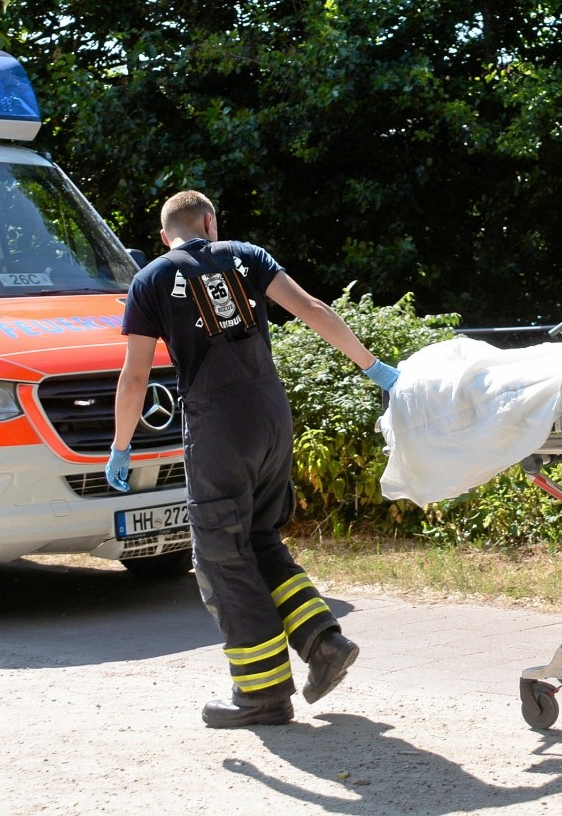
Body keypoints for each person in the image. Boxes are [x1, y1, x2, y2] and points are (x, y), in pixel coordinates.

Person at [108, 190, 400, 729]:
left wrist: (122, 445)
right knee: (258, 538)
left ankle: (261, 696)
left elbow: (135, 377)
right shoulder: (247, 255)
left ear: (163, 234)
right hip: (271, 418)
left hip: (219, 430)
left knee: (220, 557)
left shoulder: (149, 279)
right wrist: (375, 368)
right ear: (210, 223)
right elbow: (312, 309)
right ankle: (323, 643)